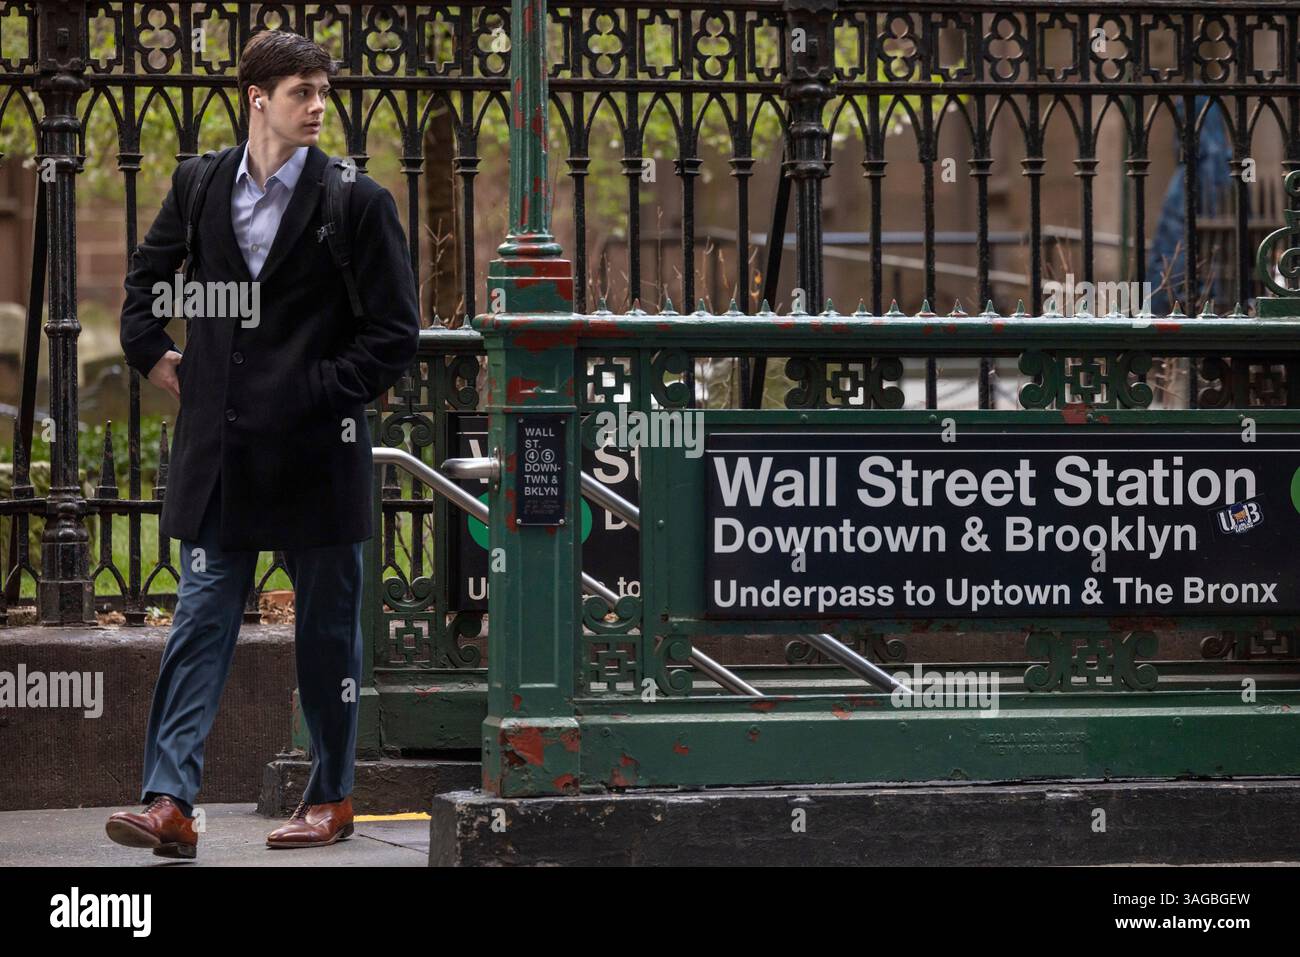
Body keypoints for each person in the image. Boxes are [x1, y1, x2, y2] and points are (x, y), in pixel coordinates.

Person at [106, 29, 420, 859]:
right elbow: (145, 283)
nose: (317, 106)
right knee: (199, 621)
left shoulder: (357, 200)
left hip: (320, 451)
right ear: (257, 98)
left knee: (326, 635)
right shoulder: (200, 183)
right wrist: (156, 353)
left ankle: (331, 797)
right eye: (300, 92)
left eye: (323, 91)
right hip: (223, 454)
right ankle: (169, 800)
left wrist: (316, 391)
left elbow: (393, 336)